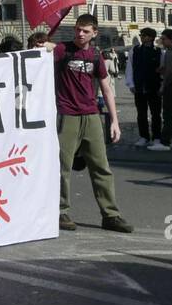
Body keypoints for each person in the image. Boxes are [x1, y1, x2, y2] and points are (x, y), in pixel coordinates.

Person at [52, 14, 132, 233]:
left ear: (94, 33)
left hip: (91, 115)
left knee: (101, 167)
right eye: (78, 29)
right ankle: (60, 211)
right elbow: (44, 48)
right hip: (67, 114)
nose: (80, 34)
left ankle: (111, 215)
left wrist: (115, 121)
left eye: (85, 31)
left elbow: (107, 89)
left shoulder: (96, 56)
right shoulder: (62, 50)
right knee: (62, 167)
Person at [125, 28, 162, 148]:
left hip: (154, 86)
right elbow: (129, 68)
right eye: (141, 35)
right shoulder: (134, 50)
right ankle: (144, 137)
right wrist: (131, 84)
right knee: (141, 114)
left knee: (156, 114)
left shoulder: (159, 52)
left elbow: (163, 70)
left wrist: (162, 85)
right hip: (139, 87)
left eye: (144, 35)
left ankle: (157, 137)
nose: (142, 37)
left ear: (151, 37)